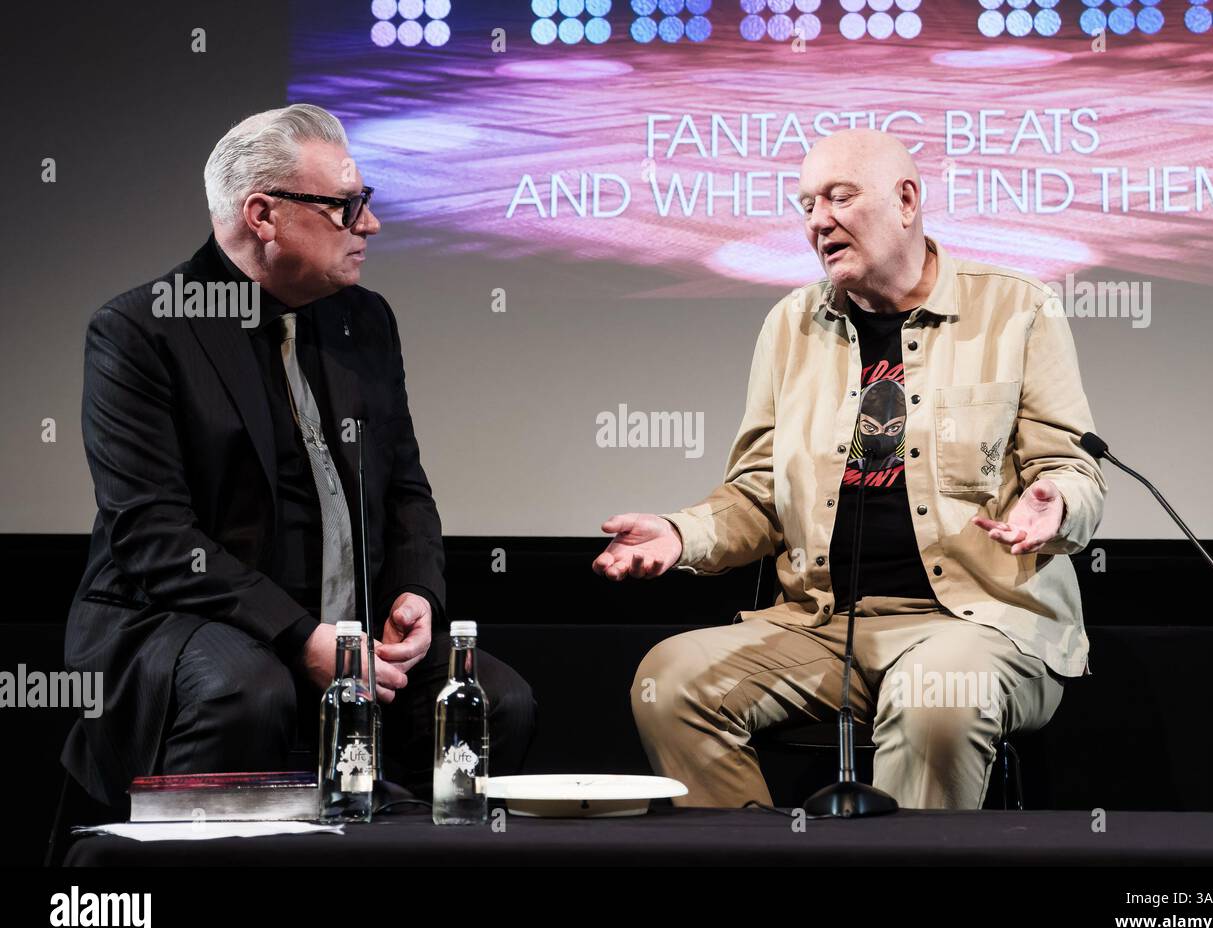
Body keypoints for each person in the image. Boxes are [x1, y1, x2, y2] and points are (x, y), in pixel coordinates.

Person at [594, 129, 1106, 810]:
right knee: (673, 681)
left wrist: (1058, 505)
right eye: (807, 205)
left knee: (936, 696)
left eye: (839, 197)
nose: (818, 220)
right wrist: (679, 534)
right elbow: (756, 497)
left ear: (905, 201)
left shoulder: (1015, 310)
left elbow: (1071, 468)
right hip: (820, 623)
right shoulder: (790, 326)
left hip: (979, 622)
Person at [62, 104, 535, 811]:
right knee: (248, 689)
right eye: (345, 207)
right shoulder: (141, 331)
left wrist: (416, 594)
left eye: (364, 203)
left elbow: (405, 486)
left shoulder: (363, 321)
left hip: (344, 623)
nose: (369, 225)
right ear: (263, 214)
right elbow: (151, 536)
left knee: (499, 699)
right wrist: (298, 635)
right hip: (184, 620)